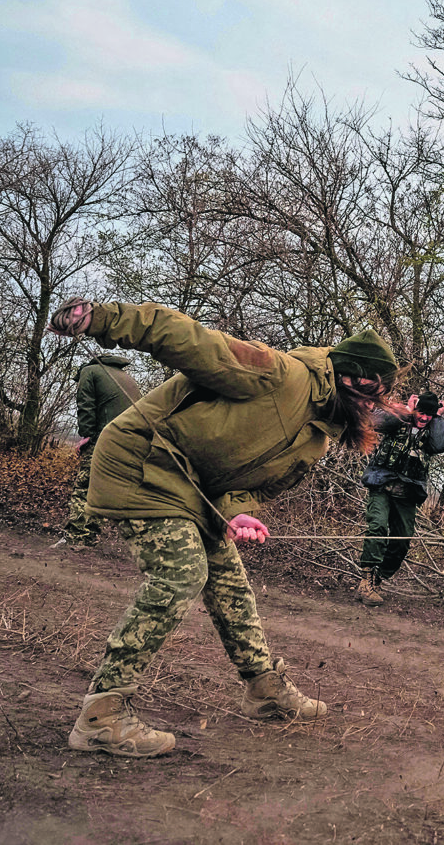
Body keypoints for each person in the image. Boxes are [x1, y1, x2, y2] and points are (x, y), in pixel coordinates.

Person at [46, 297, 399, 758]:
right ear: (351, 378)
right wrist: (103, 319)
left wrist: (237, 511)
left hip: (193, 486)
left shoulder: (317, 434)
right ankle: (101, 716)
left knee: (228, 580)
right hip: (143, 459)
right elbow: (188, 338)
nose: (373, 407)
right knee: (181, 575)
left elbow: (252, 483)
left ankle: (264, 689)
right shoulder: (281, 374)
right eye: (373, 395)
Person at [355, 391, 444, 606]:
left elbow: (440, 445)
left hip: (407, 493)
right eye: (421, 413)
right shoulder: (399, 420)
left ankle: (378, 578)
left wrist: (440, 417)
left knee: (402, 541)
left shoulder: (433, 431)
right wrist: (406, 411)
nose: (424, 418)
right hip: (382, 485)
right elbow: (375, 422)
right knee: (377, 527)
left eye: (429, 415)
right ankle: (365, 582)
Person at [53, 352, 142, 549]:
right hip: (131, 442)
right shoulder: (125, 376)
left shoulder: (89, 371)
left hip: (106, 439)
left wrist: (87, 436)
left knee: (84, 487)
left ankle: (75, 538)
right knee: (101, 489)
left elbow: (85, 406)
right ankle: (91, 536)